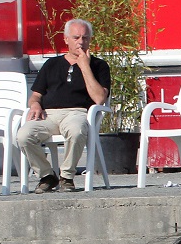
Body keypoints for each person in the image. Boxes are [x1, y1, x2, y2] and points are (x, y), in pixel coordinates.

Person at [17, 18, 111, 192]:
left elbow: (99, 99)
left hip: (78, 113)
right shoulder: (51, 64)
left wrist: (85, 67)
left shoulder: (99, 65)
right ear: (66, 39)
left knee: (76, 131)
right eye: (76, 38)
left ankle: (66, 177)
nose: (81, 42)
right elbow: (36, 95)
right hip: (49, 114)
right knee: (23, 136)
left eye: (85, 38)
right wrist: (35, 105)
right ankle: (47, 176)